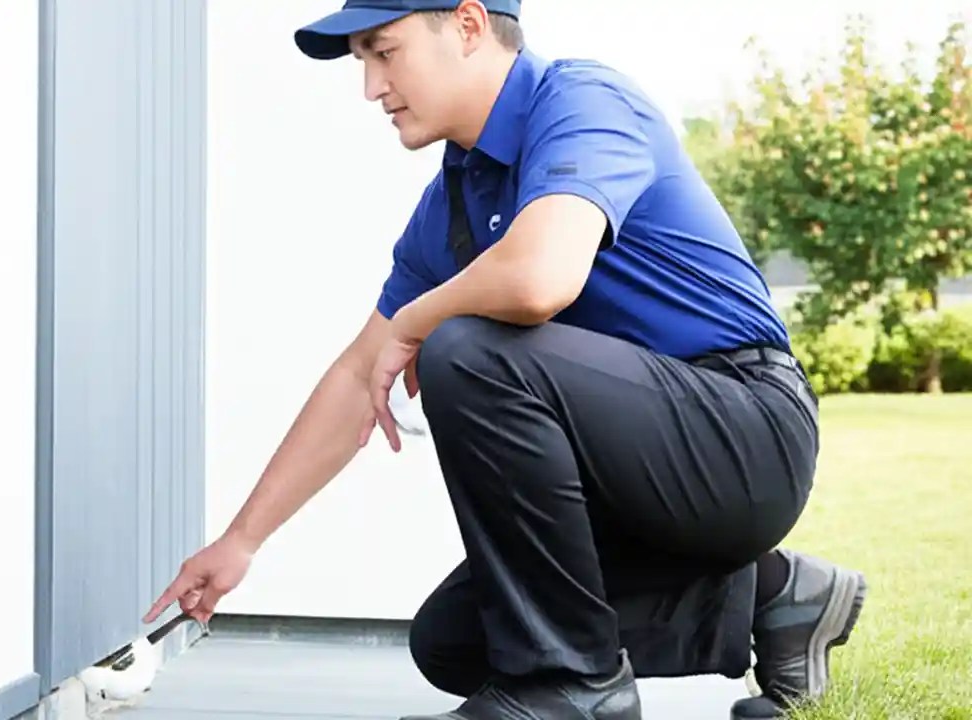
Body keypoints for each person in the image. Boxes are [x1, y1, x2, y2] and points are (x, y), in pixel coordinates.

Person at [145, 1, 868, 718]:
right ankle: (775, 598)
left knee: (468, 349)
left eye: (383, 51)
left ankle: (575, 688)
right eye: (362, 61)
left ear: (467, 25)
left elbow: (539, 279)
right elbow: (355, 375)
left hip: (745, 432)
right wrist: (240, 542)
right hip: (638, 478)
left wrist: (424, 320)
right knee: (457, 641)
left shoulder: (584, 101)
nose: (370, 86)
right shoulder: (454, 200)